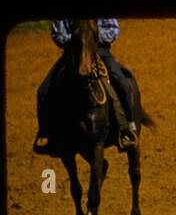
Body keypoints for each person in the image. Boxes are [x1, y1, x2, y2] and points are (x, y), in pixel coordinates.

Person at [34, 19, 138, 154]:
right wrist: (77, 38)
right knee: (43, 91)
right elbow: (57, 33)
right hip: (72, 52)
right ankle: (48, 135)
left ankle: (128, 127)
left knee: (123, 83)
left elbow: (113, 29)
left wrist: (92, 36)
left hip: (99, 49)